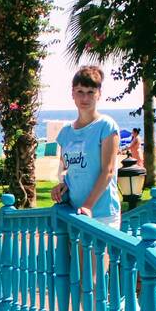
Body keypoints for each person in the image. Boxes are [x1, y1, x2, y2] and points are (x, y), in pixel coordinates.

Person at [50, 65, 121, 230]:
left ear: (99, 95)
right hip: (74, 212)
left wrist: (88, 206)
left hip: (102, 213)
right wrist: (62, 185)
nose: (85, 98)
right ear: (72, 94)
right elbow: (65, 169)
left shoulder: (106, 126)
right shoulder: (65, 133)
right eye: (80, 91)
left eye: (90, 92)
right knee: (75, 257)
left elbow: (108, 171)